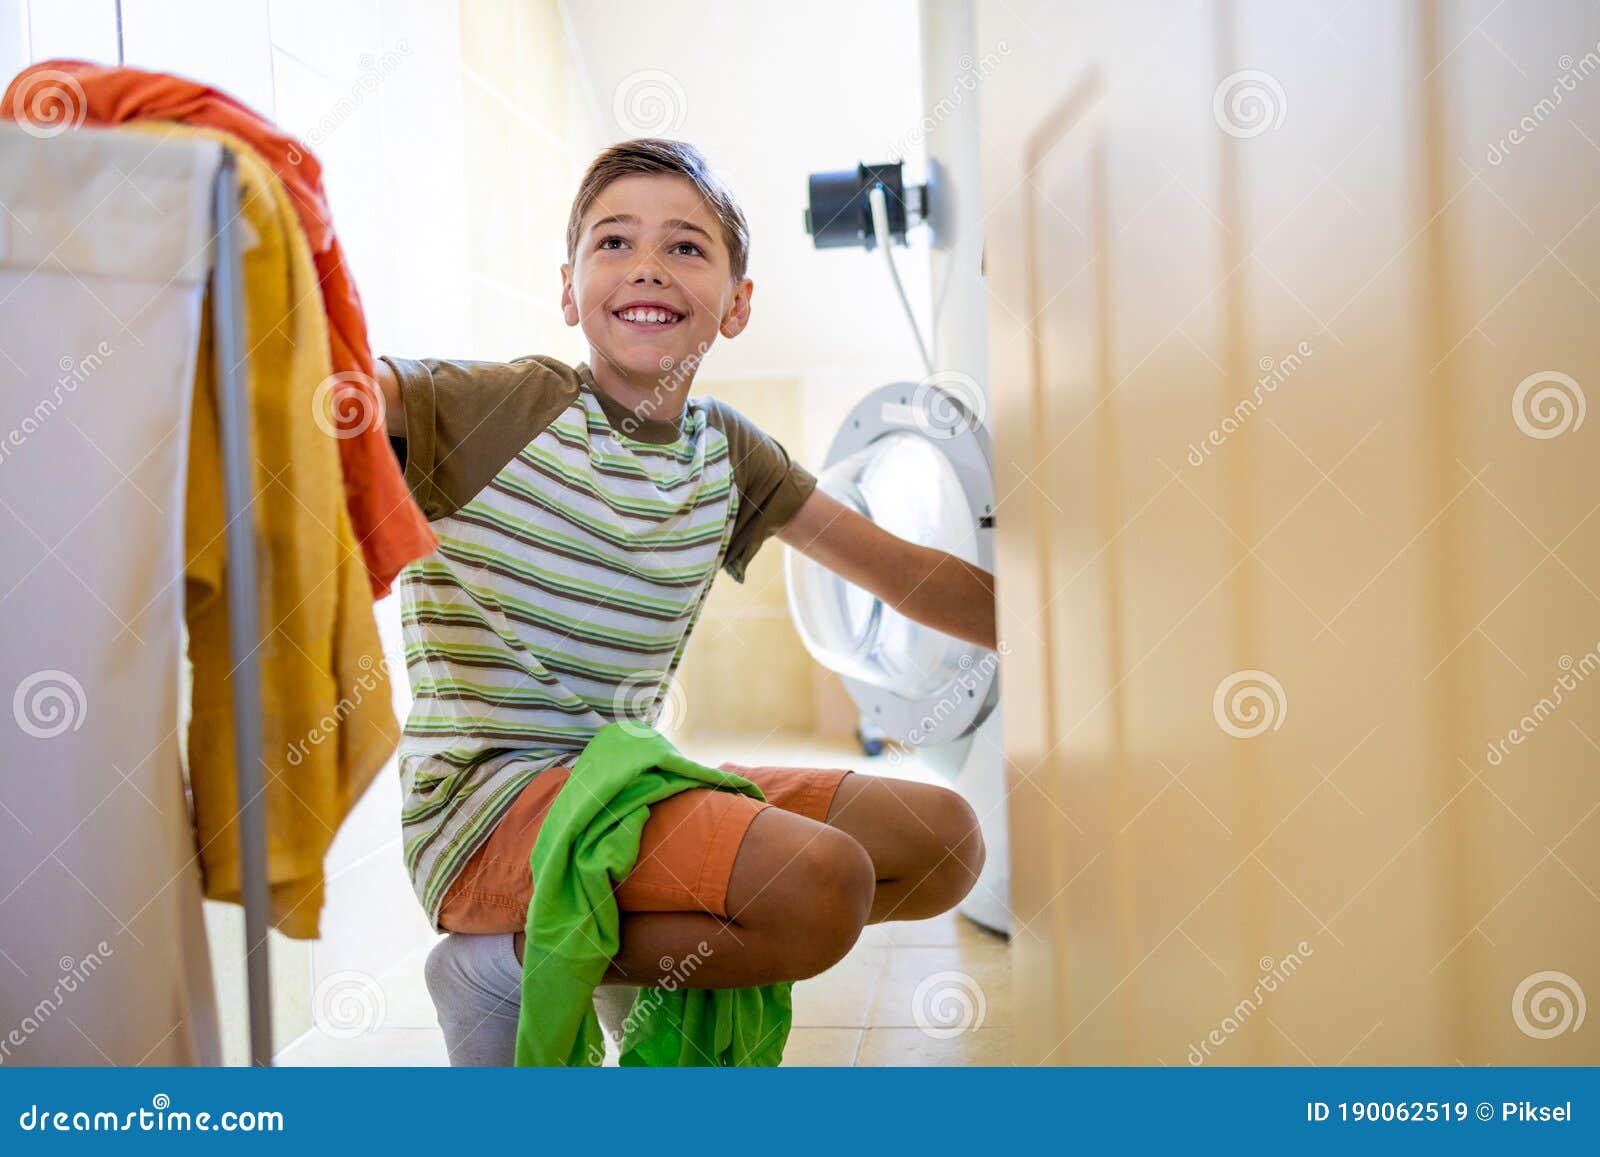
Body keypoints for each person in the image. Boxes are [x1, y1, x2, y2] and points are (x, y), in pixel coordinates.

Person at [378, 138, 996, 1059]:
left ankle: (580, 955)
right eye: (614, 242)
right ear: (568, 285)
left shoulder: (728, 454)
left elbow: (900, 571)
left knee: (943, 839)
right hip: (485, 812)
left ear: (737, 305)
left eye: (687, 247)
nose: (648, 269)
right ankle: (498, 961)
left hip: (625, 785)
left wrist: (1074, 627)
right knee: (819, 885)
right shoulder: (501, 407)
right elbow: (356, 395)